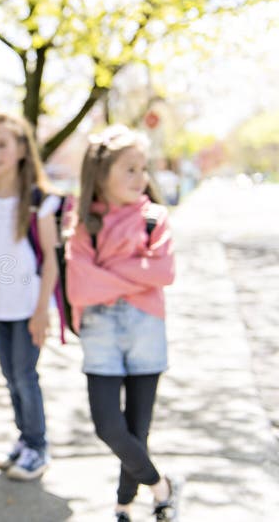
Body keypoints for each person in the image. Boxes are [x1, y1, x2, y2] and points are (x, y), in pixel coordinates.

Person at [65, 125, 180, 522]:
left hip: (146, 330)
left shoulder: (153, 219)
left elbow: (164, 271)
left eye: (143, 168)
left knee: (137, 428)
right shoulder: (83, 224)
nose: (141, 178)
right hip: (100, 335)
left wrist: (107, 273)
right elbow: (80, 286)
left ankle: (123, 504)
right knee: (109, 426)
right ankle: (160, 485)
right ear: (100, 175)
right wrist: (135, 274)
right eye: (130, 169)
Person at [0, 113, 59, 481]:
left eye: (2, 145)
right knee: (10, 375)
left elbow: (50, 258)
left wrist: (41, 311)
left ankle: (38, 445)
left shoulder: (39, 200)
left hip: (27, 305)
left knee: (24, 374)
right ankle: (24, 438)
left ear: (21, 148)